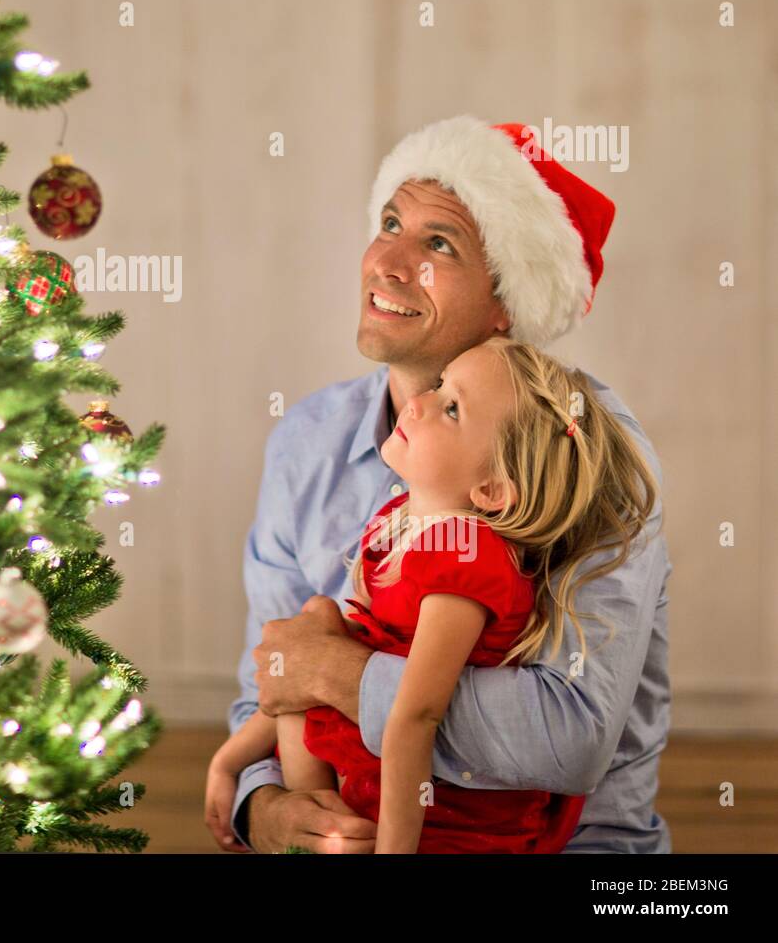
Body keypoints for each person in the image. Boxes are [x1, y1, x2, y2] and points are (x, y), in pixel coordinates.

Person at [210, 115, 670, 854]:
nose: (387, 259)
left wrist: (338, 672)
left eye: (438, 243)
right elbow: (267, 679)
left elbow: (571, 735)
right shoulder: (305, 442)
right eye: (390, 220)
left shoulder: (580, 446)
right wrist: (260, 802)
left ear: (504, 307)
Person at [205, 335, 658, 853]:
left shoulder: (465, 559)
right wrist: (232, 762)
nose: (418, 402)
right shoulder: (398, 525)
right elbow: (302, 666)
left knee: (317, 633)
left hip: (444, 821)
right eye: (441, 387)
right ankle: (317, 811)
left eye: (451, 409)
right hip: (374, 772)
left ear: (491, 489)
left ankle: (330, 819)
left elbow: (414, 717)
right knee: (315, 618)